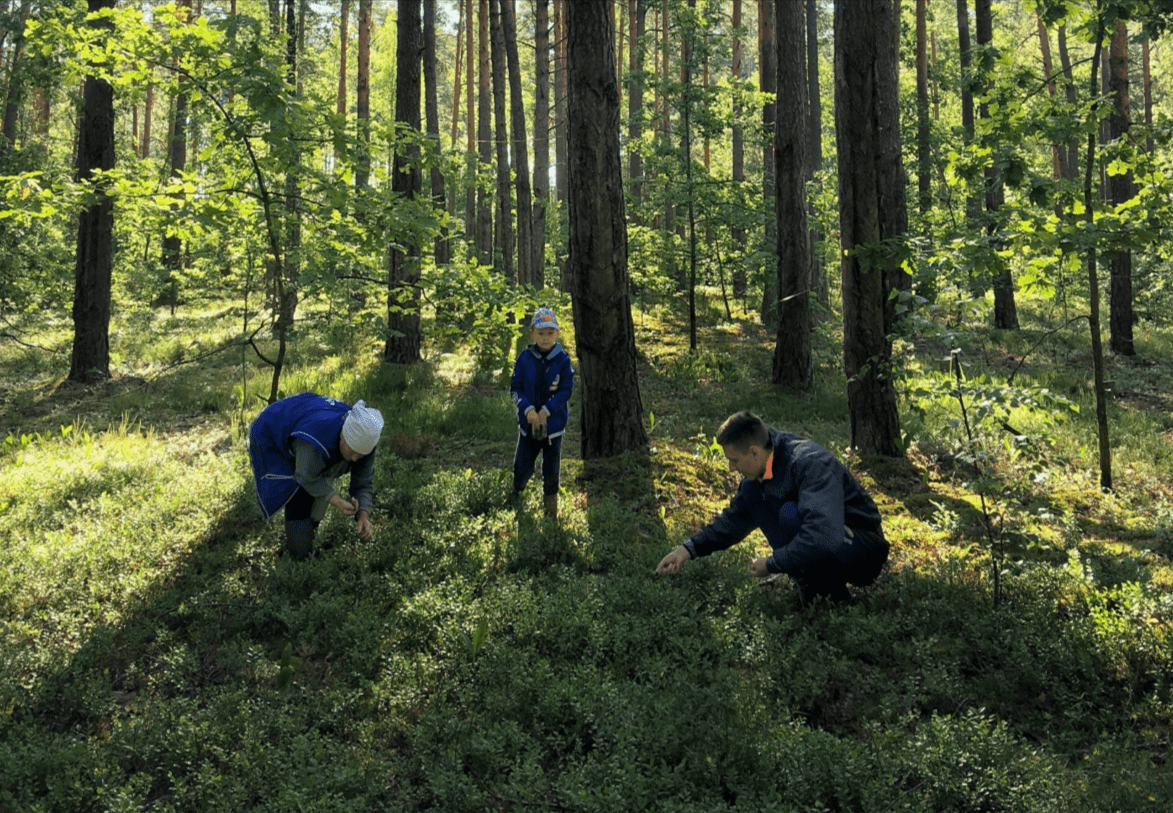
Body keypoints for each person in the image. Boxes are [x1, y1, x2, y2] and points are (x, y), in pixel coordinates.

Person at [655, 411, 888, 604]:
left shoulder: (807, 463)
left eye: (734, 460)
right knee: (755, 497)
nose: (730, 468)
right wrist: (686, 550)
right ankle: (815, 592)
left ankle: (830, 596)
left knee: (790, 514)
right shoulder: (756, 480)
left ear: (755, 452)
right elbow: (733, 522)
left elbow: (823, 533)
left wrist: (772, 564)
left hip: (862, 547)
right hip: (830, 541)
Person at [249, 393, 383, 559]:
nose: (356, 458)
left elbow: (362, 483)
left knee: (324, 475)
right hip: (271, 429)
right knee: (297, 489)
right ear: (342, 435)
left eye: (361, 455)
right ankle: (299, 549)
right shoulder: (315, 438)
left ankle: (309, 530)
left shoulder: (365, 441)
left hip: (308, 420)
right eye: (352, 451)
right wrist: (336, 500)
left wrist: (363, 515)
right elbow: (305, 476)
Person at [509, 307, 575, 519]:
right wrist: (527, 409)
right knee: (522, 464)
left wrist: (547, 410)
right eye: (541, 333)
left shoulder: (563, 360)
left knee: (551, 468)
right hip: (529, 426)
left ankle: (550, 509)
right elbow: (515, 387)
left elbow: (566, 390)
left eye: (550, 333)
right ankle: (517, 492)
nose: (545, 338)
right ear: (532, 333)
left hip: (553, 428)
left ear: (557, 333)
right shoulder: (525, 358)